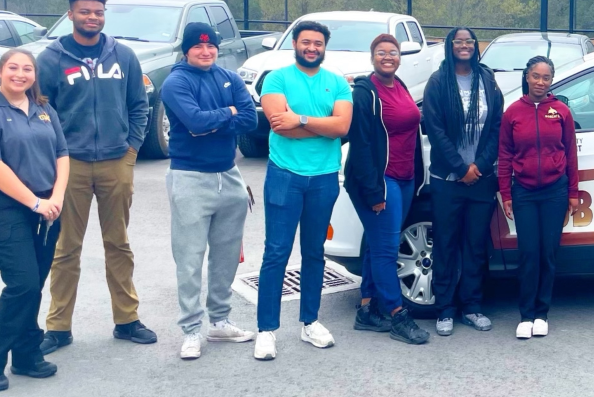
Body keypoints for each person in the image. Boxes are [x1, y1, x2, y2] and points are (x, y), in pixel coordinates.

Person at [37, 0, 156, 354]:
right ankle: (58, 327)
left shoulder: (123, 55)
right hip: (68, 166)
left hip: (115, 161)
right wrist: (55, 158)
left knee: (118, 243)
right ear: (70, 15)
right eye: (85, 11)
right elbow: (41, 112)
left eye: (98, 12)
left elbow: (139, 105)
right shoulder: (51, 58)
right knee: (65, 248)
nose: (92, 17)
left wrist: (131, 151)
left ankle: (126, 319)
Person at [0, 49, 68, 392]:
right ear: (0, 71)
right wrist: (35, 202)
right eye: (13, 67)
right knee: (23, 283)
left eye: (27, 69)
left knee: (34, 284)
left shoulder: (43, 109)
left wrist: (55, 198)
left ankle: (26, 355)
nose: (20, 74)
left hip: (46, 206)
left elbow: (62, 154)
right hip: (5, 208)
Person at [253, 21, 353, 360]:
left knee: (314, 252)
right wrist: (321, 128)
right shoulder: (277, 78)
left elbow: (343, 126)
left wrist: (303, 120)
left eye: (318, 43)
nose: (312, 48)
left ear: (325, 47)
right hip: (285, 176)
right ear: (295, 43)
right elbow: (280, 126)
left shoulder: (337, 82)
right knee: (276, 253)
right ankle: (266, 330)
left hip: (324, 178)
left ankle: (310, 321)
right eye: (306, 42)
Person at [160, 23, 260, 360]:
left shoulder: (227, 77)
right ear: (186, 50)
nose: (206, 51)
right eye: (198, 47)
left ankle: (219, 321)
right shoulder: (176, 82)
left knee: (226, 255)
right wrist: (228, 113)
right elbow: (195, 122)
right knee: (189, 259)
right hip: (190, 177)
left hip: (229, 174)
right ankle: (191, 330)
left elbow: (250, 119)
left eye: (211, 46)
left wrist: (218, 118)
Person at [344, 33, 430, 345]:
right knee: (384, 249)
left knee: (377, 245)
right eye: (381, 53)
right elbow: (363, 145)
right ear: (372, 57)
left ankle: (367, 310)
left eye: (392, 52)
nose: (387, 57)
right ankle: (397, 315)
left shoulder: (401, 86)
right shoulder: (365, 93)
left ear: (399, 57)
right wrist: (374, 193)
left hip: (406, 178)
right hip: (382, 181)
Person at [422, 27, 504, 337]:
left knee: (475, 245)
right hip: (447, 179)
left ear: (476, 46)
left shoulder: (487, 78)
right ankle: (445, 309)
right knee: (445, 244)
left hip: (481, 178)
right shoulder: (438, 81)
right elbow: (435, 127)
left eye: (469, 41)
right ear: (449, 46)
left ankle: (472, 306)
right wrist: (460, 168)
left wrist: (479, 166)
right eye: (459, 41)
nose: (464, 46)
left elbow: (496, 125)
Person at [498, 56, 579, 340]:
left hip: (555, 191)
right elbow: (505, 155)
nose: (540, 82)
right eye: (535, 76)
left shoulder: (561, 111)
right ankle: (525, 315)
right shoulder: (512, 113)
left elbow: (571, 153)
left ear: (551, 80)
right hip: (524, 192)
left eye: (546, 77)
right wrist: (506, 193)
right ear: (527, 77)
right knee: (528, 253)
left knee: (548, 253)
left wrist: (573, 193)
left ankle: (542, 314)